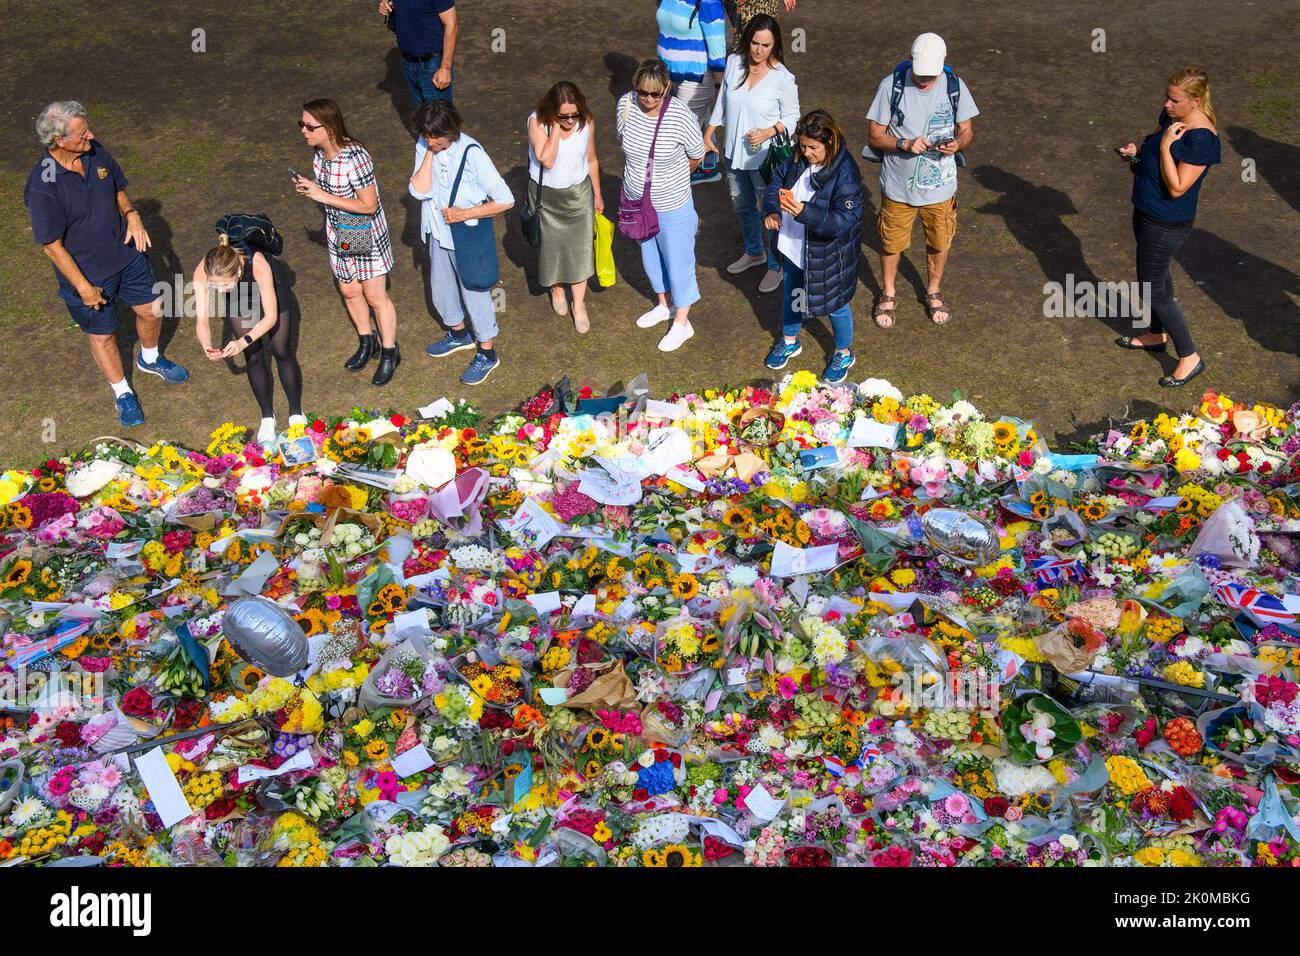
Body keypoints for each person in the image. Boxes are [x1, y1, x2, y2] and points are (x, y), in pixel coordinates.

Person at [23, 101, 188, 429]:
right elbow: (52, 247)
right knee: (103, 334)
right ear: (59, 141)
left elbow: (117, 188)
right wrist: (83, 288)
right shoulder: (42, 186)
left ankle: (150, 359)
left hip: (126, 255)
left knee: (153, 308)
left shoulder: (94, 151)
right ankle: (122, 392)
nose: (92, 136)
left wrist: (132, 215)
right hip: (89, 275)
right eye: (82, 133)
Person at [1115, 67, 1221, 388]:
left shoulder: (1202, 139)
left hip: (1166, 222)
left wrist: (1162, 148)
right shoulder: (1175, 120)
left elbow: (1177, 187)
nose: (1166, 104)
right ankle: (1156, 333)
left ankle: (1189, 356)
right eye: (1167, 96)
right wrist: (1138, 155)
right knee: (1157, 279)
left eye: (1174, 100)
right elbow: (1157, 165)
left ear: (1196, 101)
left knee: (1153, 287)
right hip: (1146, 211)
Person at [864, 32, 977, 329]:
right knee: (891, 242)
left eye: (931, 75)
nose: (925, 80)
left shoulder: (954, 86)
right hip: (898, 187)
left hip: (941, 187)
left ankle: (933, 290)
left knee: (939, 241)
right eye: (921, 73)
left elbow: (966, 130)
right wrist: (903, 144)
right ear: (911, 60)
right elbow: (874, 135)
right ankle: (888, 293)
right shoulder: (891, 86)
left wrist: (957, 144)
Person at [409, 100, 515, 386]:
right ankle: (459, 335)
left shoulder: (473, 153)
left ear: (452, 130)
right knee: (441, 290)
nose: (430, 140)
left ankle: (487, 352)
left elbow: (505, 199)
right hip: (436, 231)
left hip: (466, 234)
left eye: (436, 136)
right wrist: (430, 153)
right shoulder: (424, 145)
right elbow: (418, 191)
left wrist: (465, 213)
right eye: (426, 134)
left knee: (475, 292)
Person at [295, 99, 400, 386]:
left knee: (375, 296)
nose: (303, 130)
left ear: (329, 128)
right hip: (339, 230)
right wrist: (312, 188)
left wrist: (323, 196)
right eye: (301, 124)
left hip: (361, 228)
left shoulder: (356, 157)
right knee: (349, 290)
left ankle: (390, 352)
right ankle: (368, 342)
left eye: (309, 126)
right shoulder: (319, 154)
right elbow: (329, 193)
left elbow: (368, 205)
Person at [762, 109, 863, 383]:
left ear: (830, 142)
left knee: (835, 304)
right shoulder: (796, 157)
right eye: (803, 145)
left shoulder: (846, 173)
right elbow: (776, 182)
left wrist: (804, 212)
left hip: (827, 255)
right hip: (793, 247)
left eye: (813, 147)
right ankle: (790, 340)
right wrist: (771, 209)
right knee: (793, 293)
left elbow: (844, 221)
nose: (806, 152)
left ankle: (843, 352)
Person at [704, 13, 800, 294]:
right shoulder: (735, 62)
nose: (758, 50)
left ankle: (776, 264)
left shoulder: (783, 78)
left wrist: (768, 132)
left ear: (775, 45)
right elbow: (723, 99)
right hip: (733, 154)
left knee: (769, 211)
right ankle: (754, 251)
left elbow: (793, 117)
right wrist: (710, 129)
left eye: (765, 45)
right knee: (742, 205)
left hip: (764, 159)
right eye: (755, 43)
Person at [617, 59, 707, 353]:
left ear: (667, 88)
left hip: (672, 203)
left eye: (656, 94)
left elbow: (697, 154)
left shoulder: (680, 115)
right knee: (650, 257)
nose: (648, 99)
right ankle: (664, 304)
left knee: (678, 261)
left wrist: (670, 181)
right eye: (643, 92)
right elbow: (624, 143)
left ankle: (683, 321)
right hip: (636, 200)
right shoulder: (625, 105)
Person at [193, 227, 304, 445]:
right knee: (253, 355)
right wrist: (206, 345)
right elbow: (202, 320)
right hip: (241, 297)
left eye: (224, 284)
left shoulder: (259, 265)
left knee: (281, 349)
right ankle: (267, 417)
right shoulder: (204, 272)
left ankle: (296, 412)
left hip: (272, 287)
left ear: (237, 271)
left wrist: (242, 341)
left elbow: (270, 318)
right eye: (215, 286)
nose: (220, 289)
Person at [526, 82, 604, 333]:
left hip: (578, 195)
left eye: (575, 114)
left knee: (581, 250)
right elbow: (546, 160)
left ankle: (579, 304)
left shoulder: (586, 122)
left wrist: (598, 195)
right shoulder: (537, 122)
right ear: (551, 111)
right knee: (552, 249)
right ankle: (557, 289)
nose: (571, 120)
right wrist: (556, 129)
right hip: (546, 198)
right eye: (564, 116)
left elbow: (591, 159)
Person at [656, 0, 727, 182]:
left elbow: (717, 48)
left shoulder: (709, 3)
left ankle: (676, 182)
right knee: (695, 123)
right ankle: (708, 168)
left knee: (680, 130)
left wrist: (719, 89)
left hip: (696, 78)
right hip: (671, 75)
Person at [378, 0, 457, 109]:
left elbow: (451, 25)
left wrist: (445, 68)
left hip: (433, 66)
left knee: (439, 119)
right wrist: (384, 3)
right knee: (422, 117)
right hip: (408, 62)